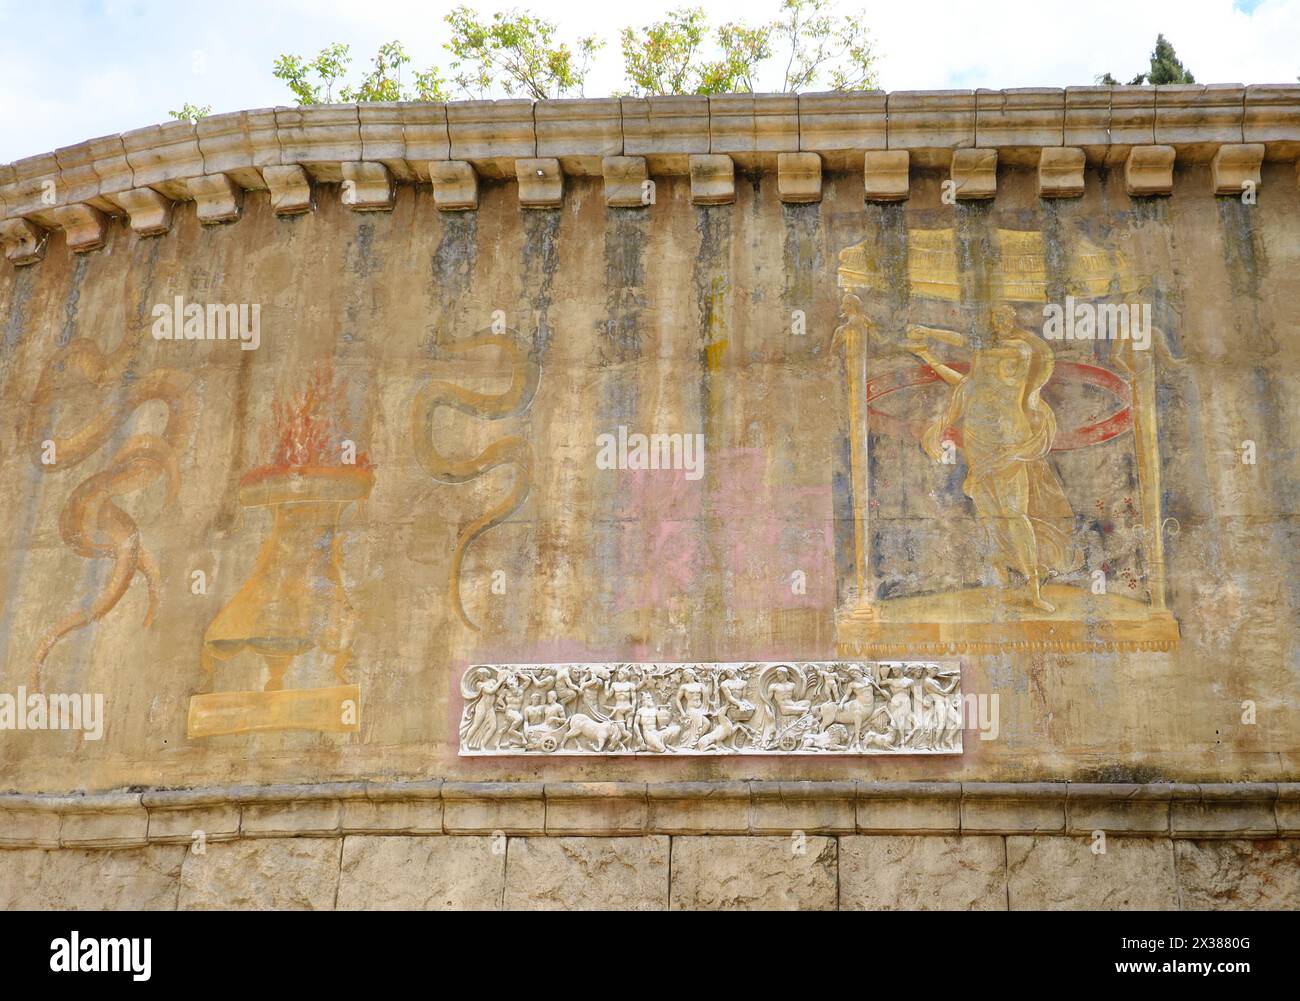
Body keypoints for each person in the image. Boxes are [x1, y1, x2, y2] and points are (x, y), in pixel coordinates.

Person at [906, 304, 1081, 612]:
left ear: (1012, 321)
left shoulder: (1017, 352)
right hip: (979, 438)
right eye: (995, 317)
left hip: (1008, 439)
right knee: (988, 513)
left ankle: (1033, 588)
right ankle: (1001, 580)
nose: (999, 321)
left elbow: (973, 353)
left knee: (1015, 514)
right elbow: (965, 389)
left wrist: (932, 334)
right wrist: (928, 357)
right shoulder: (984, 358)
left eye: (1004, 316)